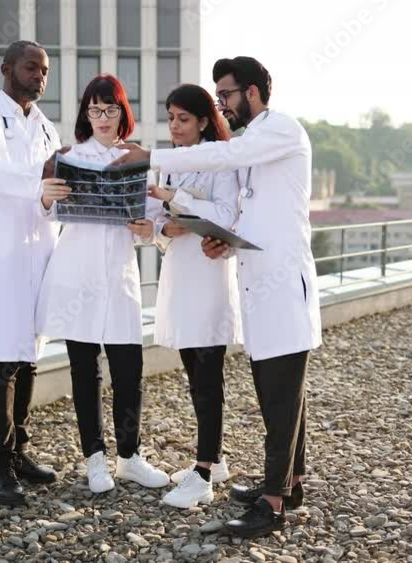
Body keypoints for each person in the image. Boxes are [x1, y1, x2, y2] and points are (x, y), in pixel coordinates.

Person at [111, 57, 323, 537]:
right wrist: (223, 242)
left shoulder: (281, 131)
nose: (221, 104)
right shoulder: (252, 147)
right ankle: (290, 484)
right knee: (281, 395)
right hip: (256, 283)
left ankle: (270, 506)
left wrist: (151, 156)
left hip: (283, 286)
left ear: (251, 92)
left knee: (282, 397)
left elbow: (221, 157)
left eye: (225, 94)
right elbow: (247, 216)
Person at [35, 74, 170, 495]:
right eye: (95, 109)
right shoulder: (69, 156)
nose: (103, 117)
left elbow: (150, 225)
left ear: (122, 113)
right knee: (84, 369)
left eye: (111, 109)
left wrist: (147, 228)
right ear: (85, 114)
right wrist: (45, 197)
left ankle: (129, 457)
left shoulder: (135, 157)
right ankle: (95, 458)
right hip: (77, 274)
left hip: (119, 274)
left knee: (129, 369)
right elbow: (47, 214)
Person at [0, 40, 65, 506]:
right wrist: (39, 183)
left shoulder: (47, 127)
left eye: (45, 70)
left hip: (40, 247)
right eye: (31, 68)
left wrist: (51, 193)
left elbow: (55, 189)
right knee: (2, 358)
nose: (40, 76)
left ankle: (20, 451)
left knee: (28, 355)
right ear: (7, 69)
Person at [147, 84, 242, 509]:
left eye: (183, 119)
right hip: (180, 274)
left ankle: (202, 475)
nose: (175, 127)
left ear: (204, 122)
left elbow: (225, 216)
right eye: (170, 118)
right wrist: (167, 227)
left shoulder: (220, 161)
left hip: (208, 278)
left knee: (208, 380)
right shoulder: (169, 165)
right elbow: (157, 224)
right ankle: (215, 460)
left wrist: (177, 201)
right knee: (193, 373)